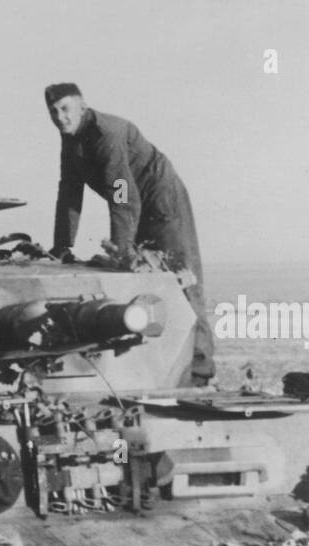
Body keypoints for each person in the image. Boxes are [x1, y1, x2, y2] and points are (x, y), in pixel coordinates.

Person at [44, 83, 214, 385]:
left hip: (161, 200)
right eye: (54, 112)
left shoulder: (106, 134)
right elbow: (69, 192)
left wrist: (122, 252)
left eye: (65, 109)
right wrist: (61, 246)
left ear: (82, 107)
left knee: (181, 280)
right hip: (135, 201)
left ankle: (199, 373)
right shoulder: (70, 138)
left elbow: (123, 195)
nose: (59, 117)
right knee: (140, 284)